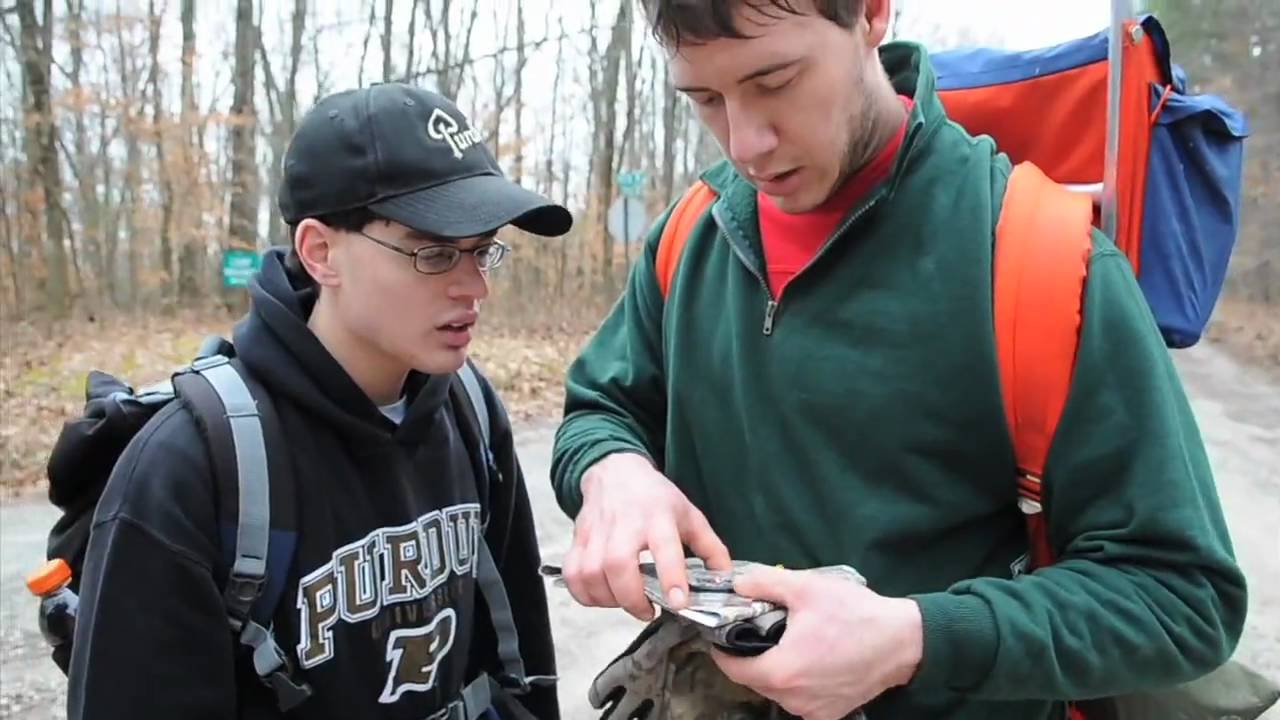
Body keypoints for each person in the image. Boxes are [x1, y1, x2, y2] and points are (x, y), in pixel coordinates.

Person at [550, 2, 1248, 719]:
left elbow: (1182, 598)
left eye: (775, 80)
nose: (745, 144)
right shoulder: (693, 234)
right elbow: (600, 409)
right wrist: (612, 471)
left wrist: (916, 639)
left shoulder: (1038, 262)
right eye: (704, 99)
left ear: (872, 14)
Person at [67, 83, 571, 719]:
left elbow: (520, 657)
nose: (474, 288)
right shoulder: (190, 468)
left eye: (482, 251)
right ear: (321, 251)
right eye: (436, 252)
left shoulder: (467, 408)